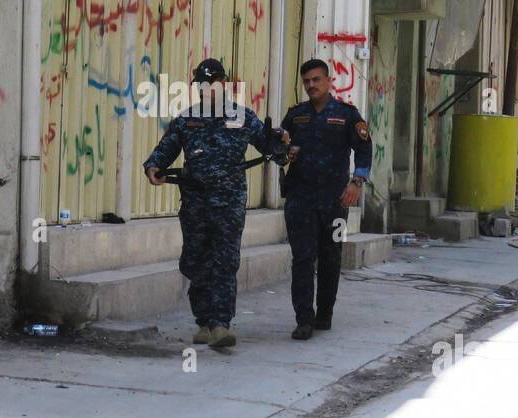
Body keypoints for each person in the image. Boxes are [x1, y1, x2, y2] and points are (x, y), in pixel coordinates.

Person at [143, 58, 275, 350]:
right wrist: (154, 167)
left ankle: (220, 324)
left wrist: (283, 145)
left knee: (225, 261)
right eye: (200, 84)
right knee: (194, 259)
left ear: (223, 84)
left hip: (229, 203)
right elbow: (165, 150)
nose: (206, 89)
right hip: (195, 202)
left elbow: (271, 148)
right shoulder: (187, 119)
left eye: (211, 83)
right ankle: (203, 321)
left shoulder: (243, 117)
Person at [280, 58, 372, 341]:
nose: (311, 86)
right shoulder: (296, 116)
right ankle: (303, 319)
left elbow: (365, 150)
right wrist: (285, 152)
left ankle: (325, 313)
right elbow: (279, 148)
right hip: (300, 199)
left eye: (316, 80)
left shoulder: (347, 115)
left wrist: (356, 183)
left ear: (329, 80)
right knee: (303, 259)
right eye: (306, 81)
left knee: (331, 257)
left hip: (335, 201)